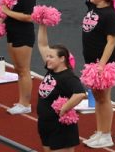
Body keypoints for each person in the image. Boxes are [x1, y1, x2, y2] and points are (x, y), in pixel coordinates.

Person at [81, 0, 115, 149]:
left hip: (103, 64)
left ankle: (107, 135)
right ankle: (99, 131)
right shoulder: (93, 6)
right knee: (97, 98)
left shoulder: (111, 16)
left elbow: (111, 42)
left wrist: (101, 65)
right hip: (92, 62)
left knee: (104, 99)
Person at [35, 24, 86, 152]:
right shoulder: (51, 69)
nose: (47, 59)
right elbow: (42, 45)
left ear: (62, 58)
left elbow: (80, 94)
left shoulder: (68, 77)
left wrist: (64, 108)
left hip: (60, 127)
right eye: (47, 56)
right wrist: (42, 24)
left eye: (51, 57)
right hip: (45, 123)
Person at [0, 0, 37, 115]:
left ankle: (25, 104)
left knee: (24, 70)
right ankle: (21, 101)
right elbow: (4, 10)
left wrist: (7, 12)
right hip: (12, 32)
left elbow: (29, 17)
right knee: (18, 69)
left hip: (23, 34)